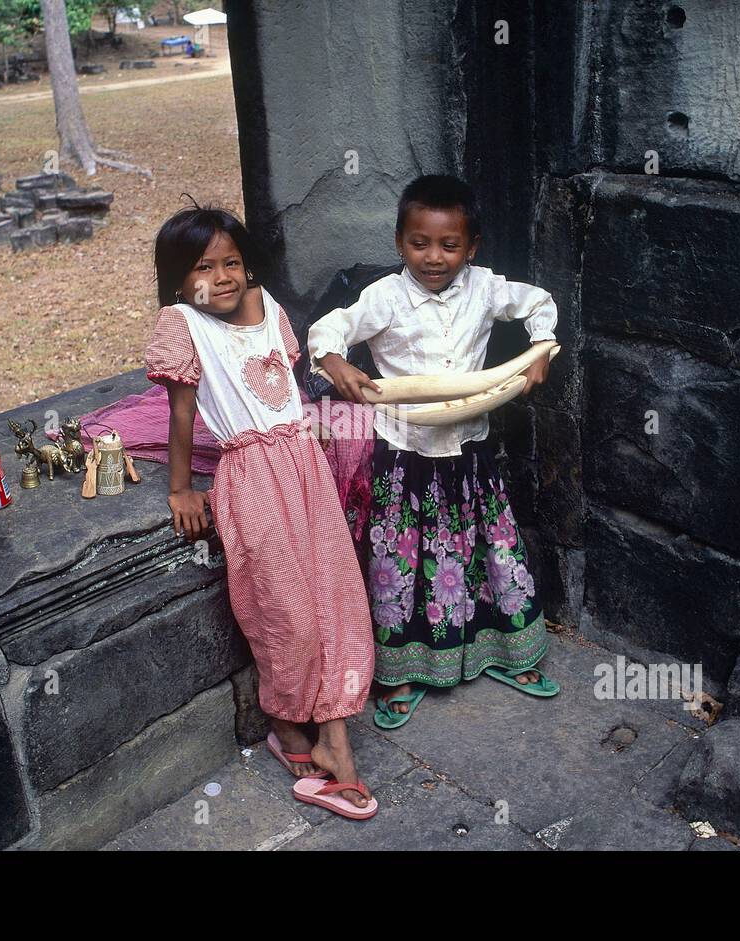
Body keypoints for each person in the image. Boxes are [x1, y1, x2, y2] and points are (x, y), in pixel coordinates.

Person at [144, 204, 378, 819]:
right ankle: (297, 730)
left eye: (231, 263)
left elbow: (280, 383)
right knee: (283, 611)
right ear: (176, 280)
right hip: (250, 479)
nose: (220, 278)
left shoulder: (269, 307)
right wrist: (180, 491)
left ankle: (327, 739)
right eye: (202, 268)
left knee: (334, 596)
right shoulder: (182, 325)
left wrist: (309, 428)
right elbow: (182, 417)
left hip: (304, 468)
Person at [307, 174, 561, 730]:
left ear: (471, 247)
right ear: (399, 242)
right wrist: (336, 362)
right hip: (404, 453)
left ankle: (505, 653)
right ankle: (399, 671)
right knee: (401, 558)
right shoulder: (384, 298)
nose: (434, 257)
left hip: (469, 448)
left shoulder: (485, 288)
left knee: (484, 546)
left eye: (450, 246)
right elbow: (330, 328)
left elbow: (539, 302)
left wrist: (541, 348)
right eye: (420, 243)